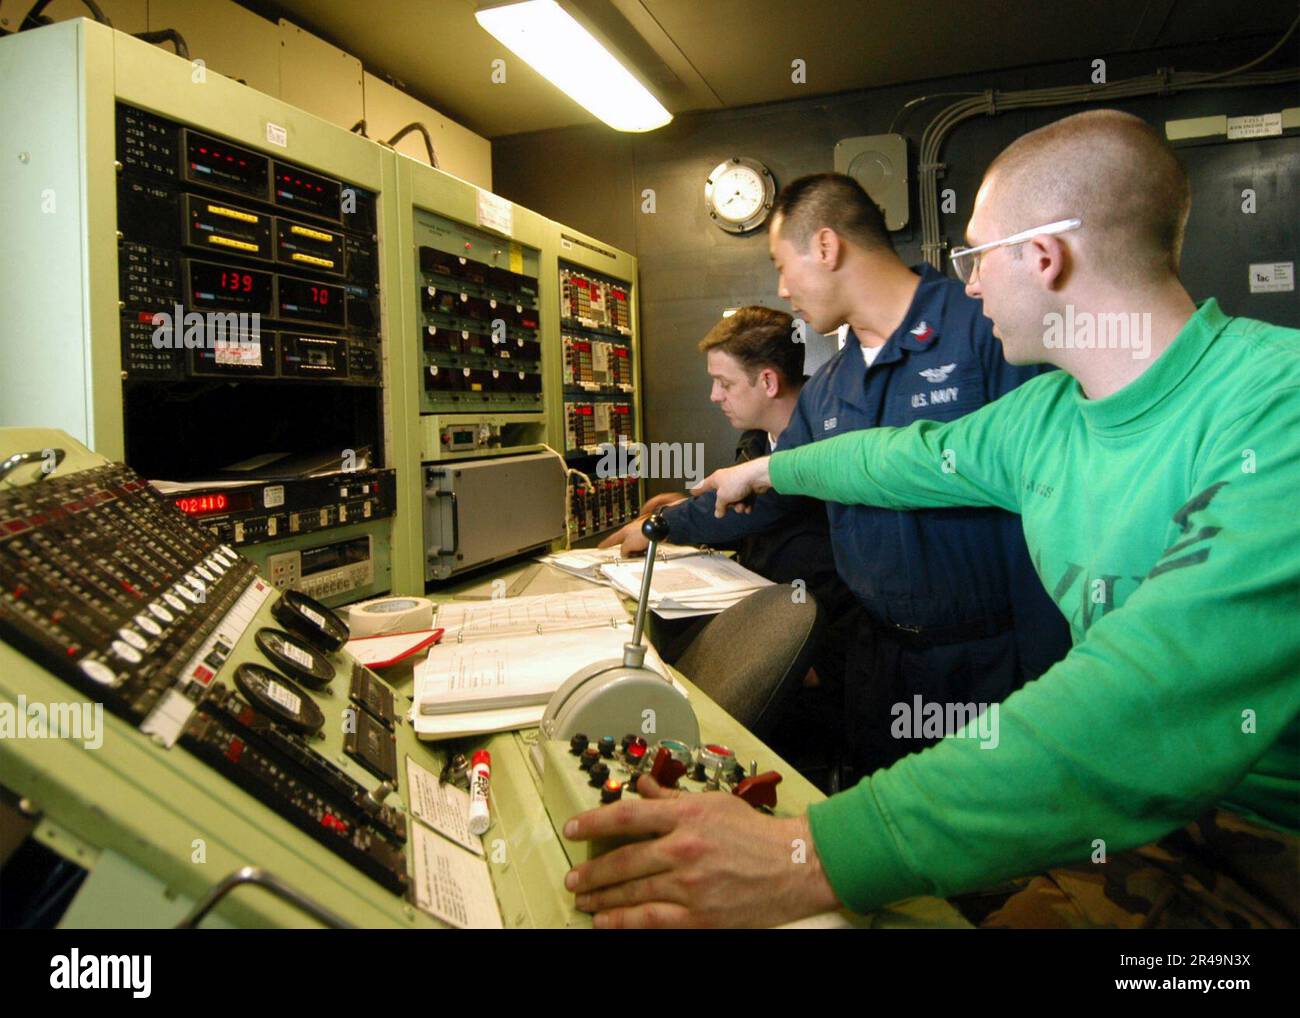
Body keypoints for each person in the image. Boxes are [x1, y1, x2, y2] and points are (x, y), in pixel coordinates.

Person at [562, 109, 1300, 929]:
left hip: (1259, 841)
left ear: (1045, 257)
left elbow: (1145, 696)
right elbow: (893, 457)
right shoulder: (1050, 414)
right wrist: (762, 467)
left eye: (976, 255)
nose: (968, 282)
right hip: (1140, 822)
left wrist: (810, 854)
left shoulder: (1278, 407)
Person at [606, 172, 1069, 776]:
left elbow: (1048, 504)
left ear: (825, 247)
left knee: (989, 848)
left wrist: (1050, 685)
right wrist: (661, 527)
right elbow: (765, 492)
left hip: (986, 665)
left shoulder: (984, 330)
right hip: (878, 664)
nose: (781, 287)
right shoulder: (830, 389)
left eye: (781, 262)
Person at [602, 307, 856, 693]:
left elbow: (770, 506)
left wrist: (662, 525)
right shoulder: (758, 439)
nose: (714, 396)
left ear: (768, 381)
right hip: (768, 622)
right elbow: (745, 515)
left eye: (724, 383)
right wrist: (682, 507)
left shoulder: (819, 439)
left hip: (820, 652)